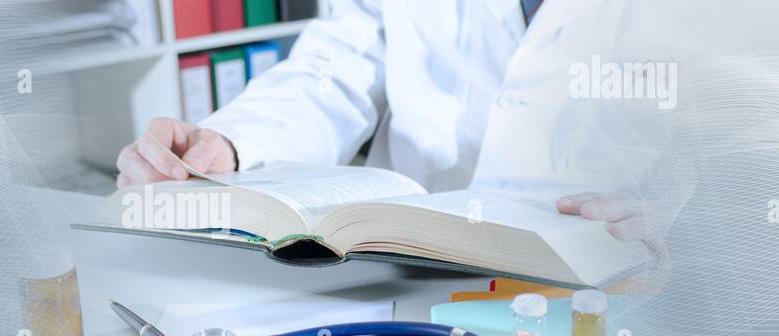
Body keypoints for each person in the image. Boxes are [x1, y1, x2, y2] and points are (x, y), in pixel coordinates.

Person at [115, 0, 656, 248]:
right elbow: (337, 68)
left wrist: (700, 204)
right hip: (403, 261)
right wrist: (227, 143)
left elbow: (733, 113)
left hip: (607, 271)